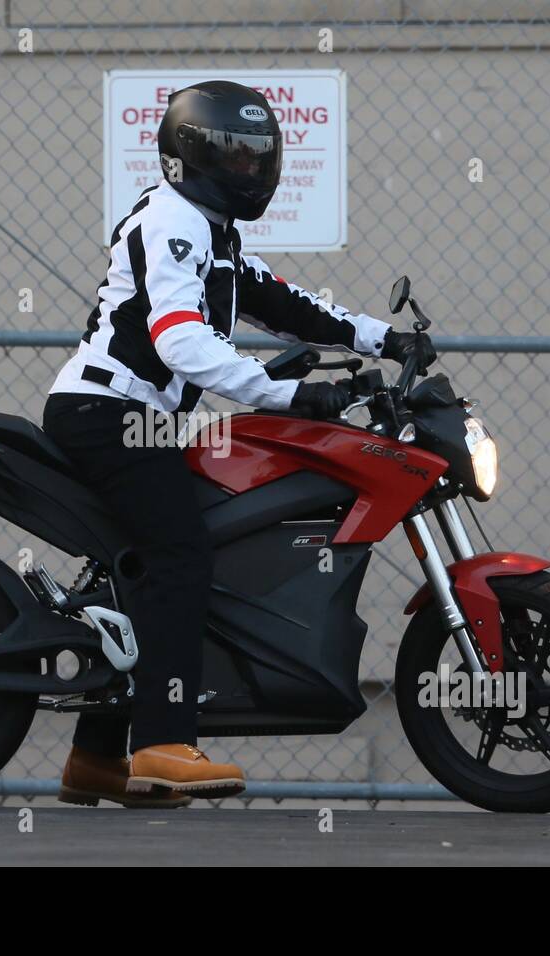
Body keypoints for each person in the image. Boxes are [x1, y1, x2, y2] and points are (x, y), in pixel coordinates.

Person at [46, 80, 433, 808]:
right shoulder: (174, 223)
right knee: (181, 553)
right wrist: (288, 393)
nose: (251, 171)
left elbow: (283, 301)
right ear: (188, 158)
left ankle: (96, 761)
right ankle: (162, 743)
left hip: (136, 416)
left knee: (144, 564)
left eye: (260, 157)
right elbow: (182, 341)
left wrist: (383, 338)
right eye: (236, 157)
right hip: (106, 414)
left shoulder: (214, 231)